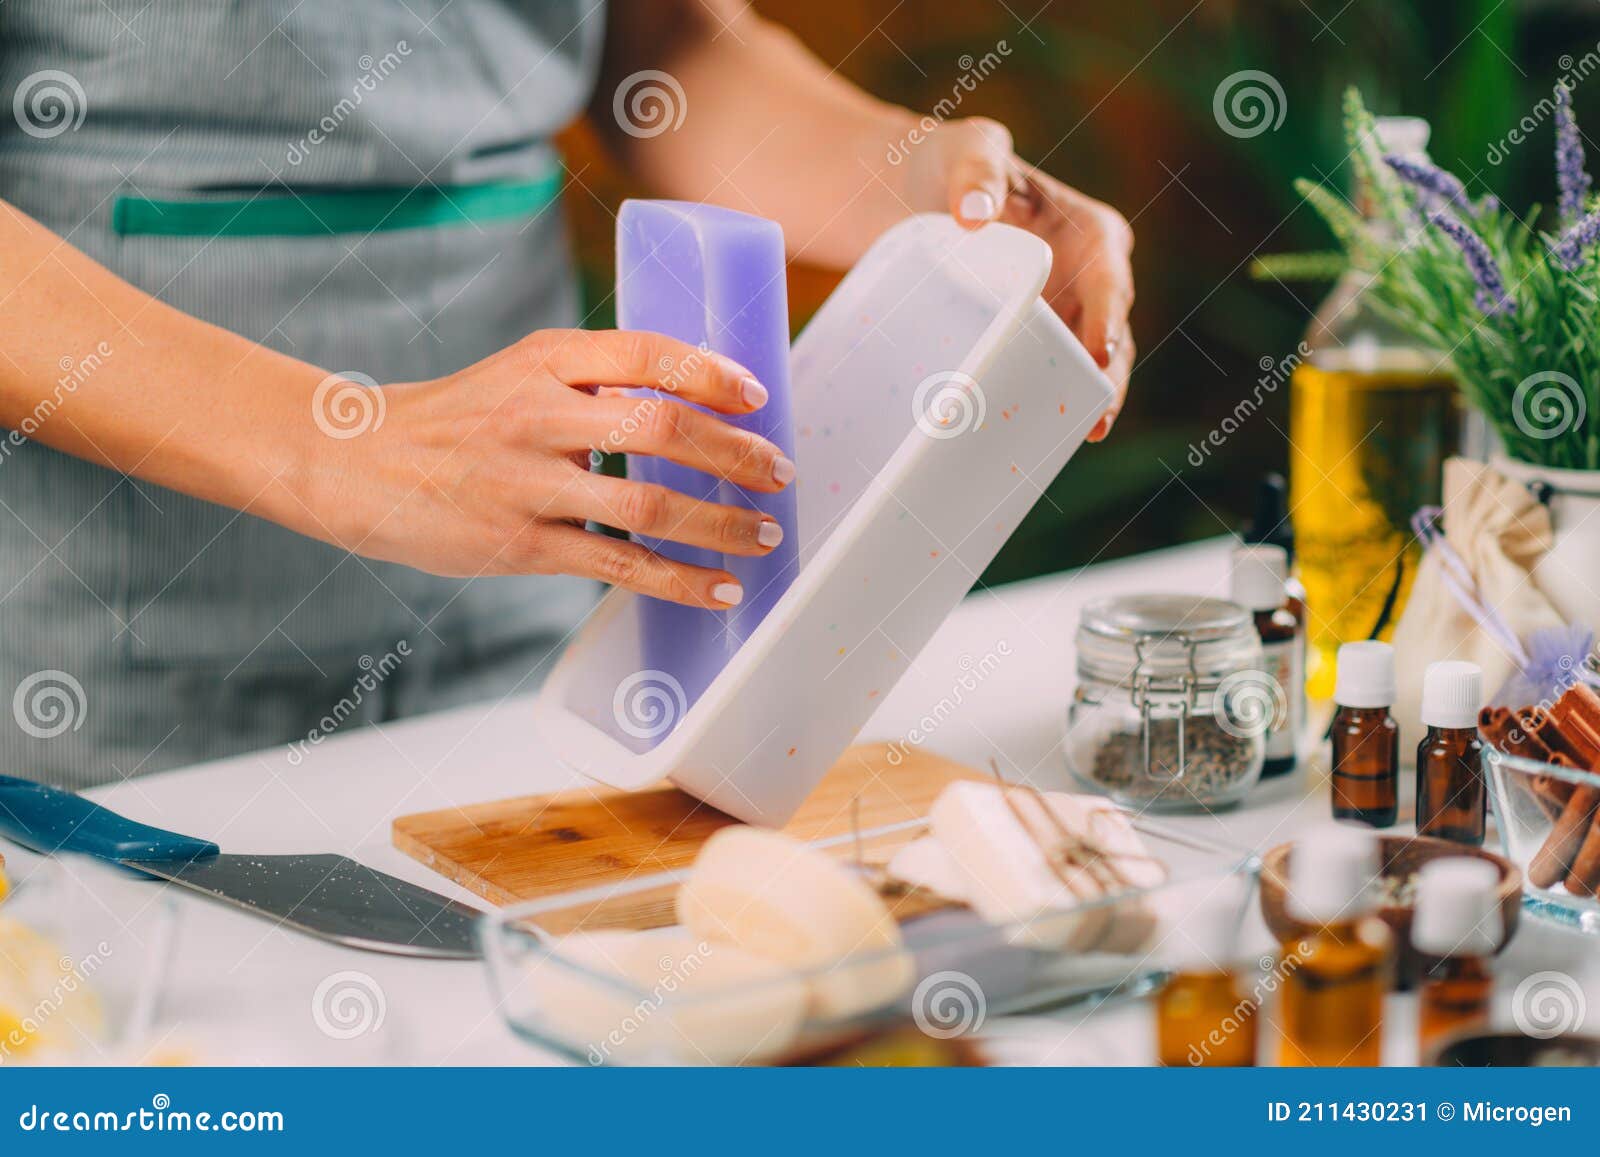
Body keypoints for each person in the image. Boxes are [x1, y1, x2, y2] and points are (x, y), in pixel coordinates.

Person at [0, 0, 1134, 788]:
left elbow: (663, 46)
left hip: (532, 611)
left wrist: (913, 178)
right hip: (111, 656)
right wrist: (348, 445)